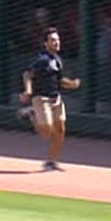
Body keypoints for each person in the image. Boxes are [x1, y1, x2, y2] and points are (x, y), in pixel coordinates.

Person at [20, 27, 79, 171]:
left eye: (57, 40)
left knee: (60, 131)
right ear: (45, 43)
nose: (57, 42)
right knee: (47, 133)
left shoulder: (57, 60)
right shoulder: (42, 59)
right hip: (42, 99)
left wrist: (71, 84)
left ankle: (51, 161)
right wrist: (28, 91)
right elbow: (27, 74)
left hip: (56, 99)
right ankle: (32, 114)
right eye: (53, 40)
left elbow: (59, 80)